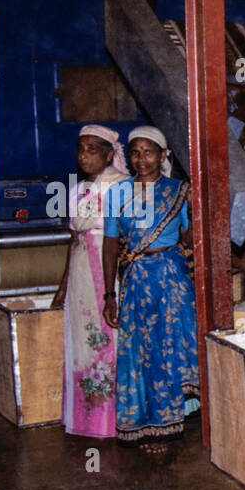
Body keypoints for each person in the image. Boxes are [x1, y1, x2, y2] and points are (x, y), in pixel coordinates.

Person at [100, 126, 200, 454]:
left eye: (149, 151)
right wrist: (109, 294)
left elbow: (189, 240)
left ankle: (168, 427)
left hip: (171, 278)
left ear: (163, 155)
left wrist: (195, 207)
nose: (142, 159)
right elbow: (110, 245)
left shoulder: (177, 191)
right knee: (140, 351)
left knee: (169, 349)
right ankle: (145, 424)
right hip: (136, 279)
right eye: (135, 152)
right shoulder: (117, 193)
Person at [52, 125, 129, 438]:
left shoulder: (121, 186)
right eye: (81, 149)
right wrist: (62, 287)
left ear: (109, 155)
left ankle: (111, 422)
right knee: (82, 343)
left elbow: (127, 236)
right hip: (82, 273)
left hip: (109, 269)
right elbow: (73, 241)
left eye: (92, 149)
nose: (84, 156)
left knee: (109, 341)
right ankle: (85, 420)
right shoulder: (77, 189)